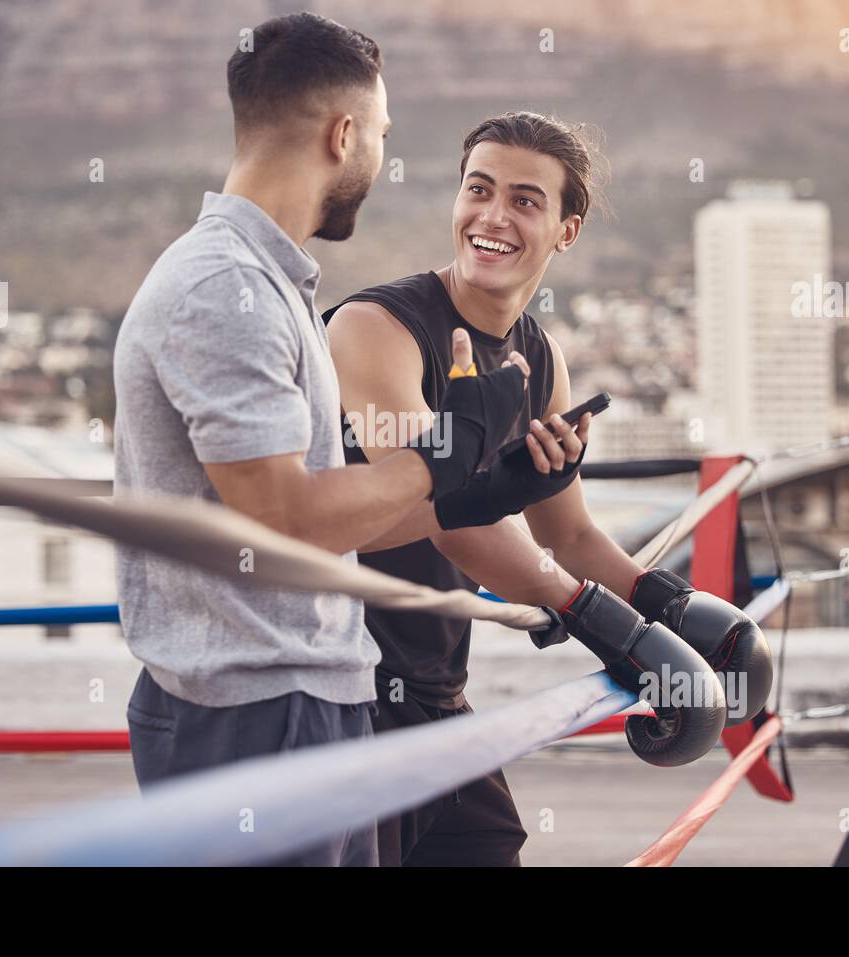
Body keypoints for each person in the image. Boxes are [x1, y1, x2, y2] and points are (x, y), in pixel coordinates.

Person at [112, 13, 533, 866]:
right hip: (251, 711)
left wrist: (481, 487)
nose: (378, 156)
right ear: (343, 135)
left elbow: (330, 523)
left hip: (303, 697)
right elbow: (286, 519)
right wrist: (444, 449)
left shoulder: (270, 282)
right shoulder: (224, 288)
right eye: (379, 135)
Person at [325, 112, 772, 866]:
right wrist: (618, 631)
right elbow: (437, 515)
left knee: (489, 846)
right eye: (479, 189)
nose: (493, 216)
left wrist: (678, 610)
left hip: (432, 693)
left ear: (567, 229)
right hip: (342, 693)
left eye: (526, 200)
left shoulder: (538, 356)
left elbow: (568, 534)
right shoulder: (378, 327)